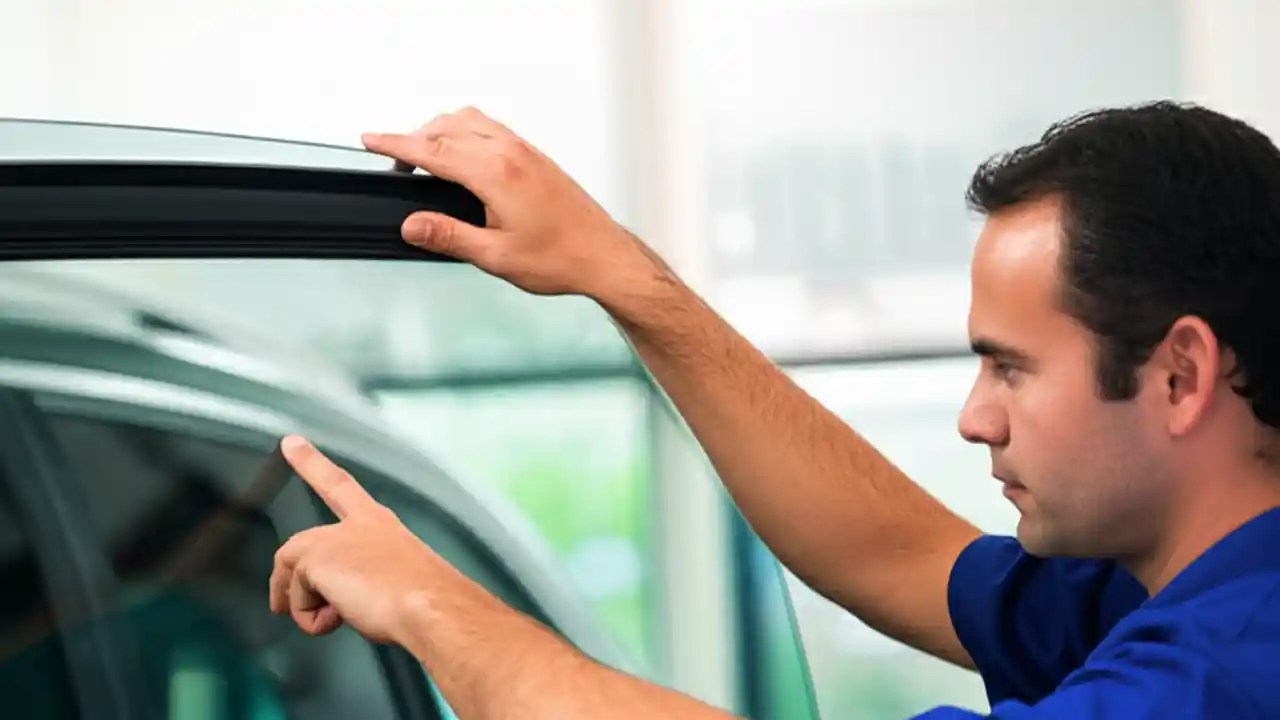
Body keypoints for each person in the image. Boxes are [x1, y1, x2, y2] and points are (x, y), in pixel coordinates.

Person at [267, 101, 1280, 718]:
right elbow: (893, 554)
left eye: (1009, 370)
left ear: (1179, 375)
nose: (974, 420)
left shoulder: (1226, 674)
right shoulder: (1170, 596)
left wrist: (427, 604)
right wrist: (621, 276)